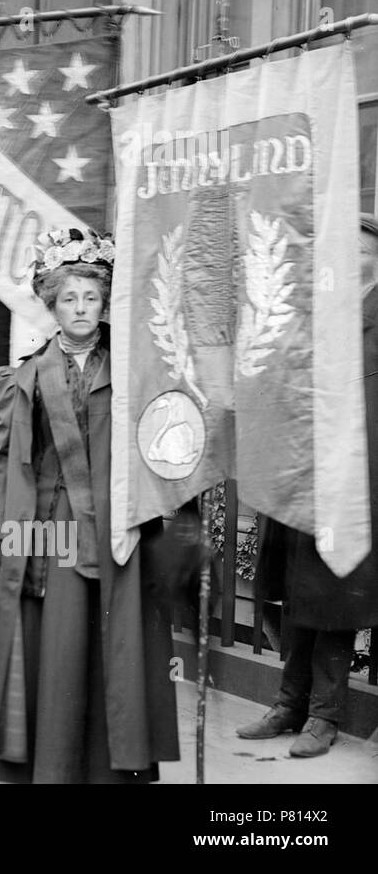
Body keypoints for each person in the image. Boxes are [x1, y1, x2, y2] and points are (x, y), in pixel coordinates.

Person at [0, 228, 179, 783]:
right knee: (58, 641)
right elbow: (4, 460)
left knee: (115, 639)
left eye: (91, 297)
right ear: (52, 305)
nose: (81, 308)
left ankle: (112, 769)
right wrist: (0, 533)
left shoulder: (135, 370)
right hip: (48, 530)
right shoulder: (23, 375)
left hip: (120, 523)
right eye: (69, 298)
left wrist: (152, 509)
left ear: (104, 302)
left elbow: (160, 444)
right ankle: (53, 764)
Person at [239, 213, 378, 756]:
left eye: (363, 246)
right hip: (299, 474)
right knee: (293, 593)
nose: (352, 256)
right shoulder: (316, 312)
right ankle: (288, 704)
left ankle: (325, 716)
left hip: (355, 478)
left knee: (335, 595)